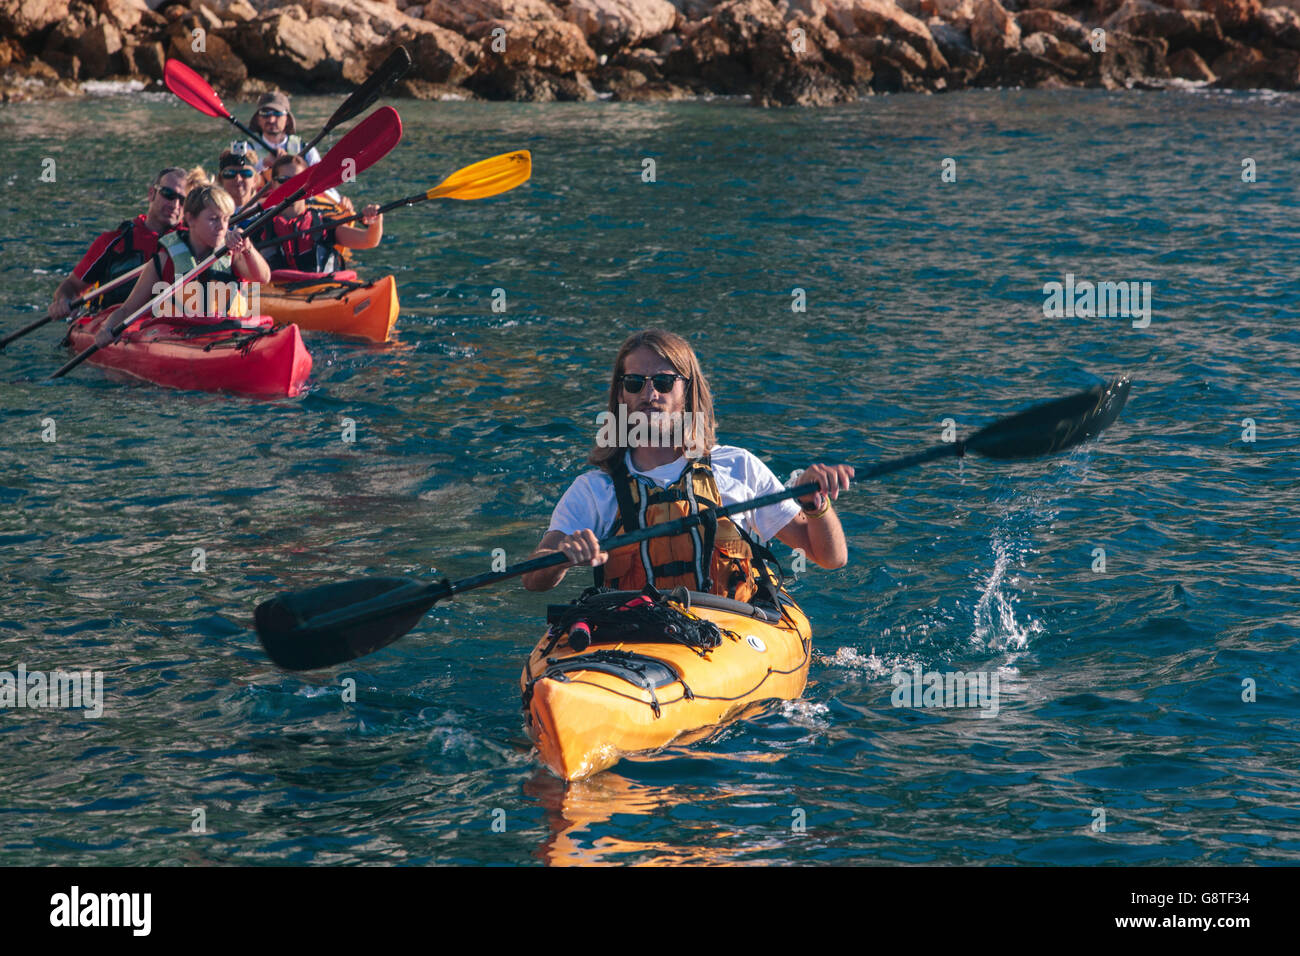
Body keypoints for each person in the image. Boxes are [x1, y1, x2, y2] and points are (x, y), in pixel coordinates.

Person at [522, 329, 854, 603]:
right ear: (621, 394)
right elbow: (534, 580)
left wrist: (815, 504)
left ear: (686, 392)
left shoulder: (738, 468)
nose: (649, 393)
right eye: (635, 382)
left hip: (732, 634)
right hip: (636, 637)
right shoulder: (595, 489)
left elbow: (829, 557)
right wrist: (563, 556)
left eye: (664, 382)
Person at [95, 186, 271, 345]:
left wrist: (248, 248)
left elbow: (263, 278)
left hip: (230, 335)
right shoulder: (165, 259)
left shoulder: (233, 253)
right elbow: (127, 309)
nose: (222, 227)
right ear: (191, 219)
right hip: (179, 339)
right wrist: (106, 329)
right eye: (213, 219)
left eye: (225, 219)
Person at [47, 167, 188, 318]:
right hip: (114, 327)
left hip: (171, 329)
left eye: (182, 200)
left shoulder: (193, 242)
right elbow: (72, 285)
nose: (175, 205)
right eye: (168, 194)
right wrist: (63, 301)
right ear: (151, 194)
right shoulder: (113, 242)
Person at [252, 154, 382, 274]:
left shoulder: (323, 225)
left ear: (307, 184)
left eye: (297, 180)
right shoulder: (259, 227)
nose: (291, 186)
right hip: (274, 294)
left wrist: (376, 221)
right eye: (284, 180)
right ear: (274, 184)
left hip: (320, 291)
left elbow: (369, 240)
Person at [247, 92, 321, 168]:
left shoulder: (306, 150)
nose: (271, 120)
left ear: (288, 119)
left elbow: (320, 176)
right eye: (265, 113)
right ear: (258, 119)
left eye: (277, 113)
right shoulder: (246, 150)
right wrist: (263, 163)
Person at [216, 141, 266, 225]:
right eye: (230, 173)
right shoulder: (213, 216)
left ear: (255, 180)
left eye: (245, 173)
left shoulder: (267, 213)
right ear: (221, 180)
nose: (238, 179)